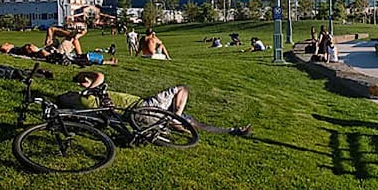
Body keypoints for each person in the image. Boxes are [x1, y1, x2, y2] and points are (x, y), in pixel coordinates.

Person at [60, 71, 252, 137]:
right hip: (143, 106)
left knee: (191, 123)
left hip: (136, 118)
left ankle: (231, 131)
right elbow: (99, 76)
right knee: (182, 88)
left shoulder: (86, 107)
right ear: (73, 95)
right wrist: (84, 76)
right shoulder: (86, 95)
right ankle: (177, 115)